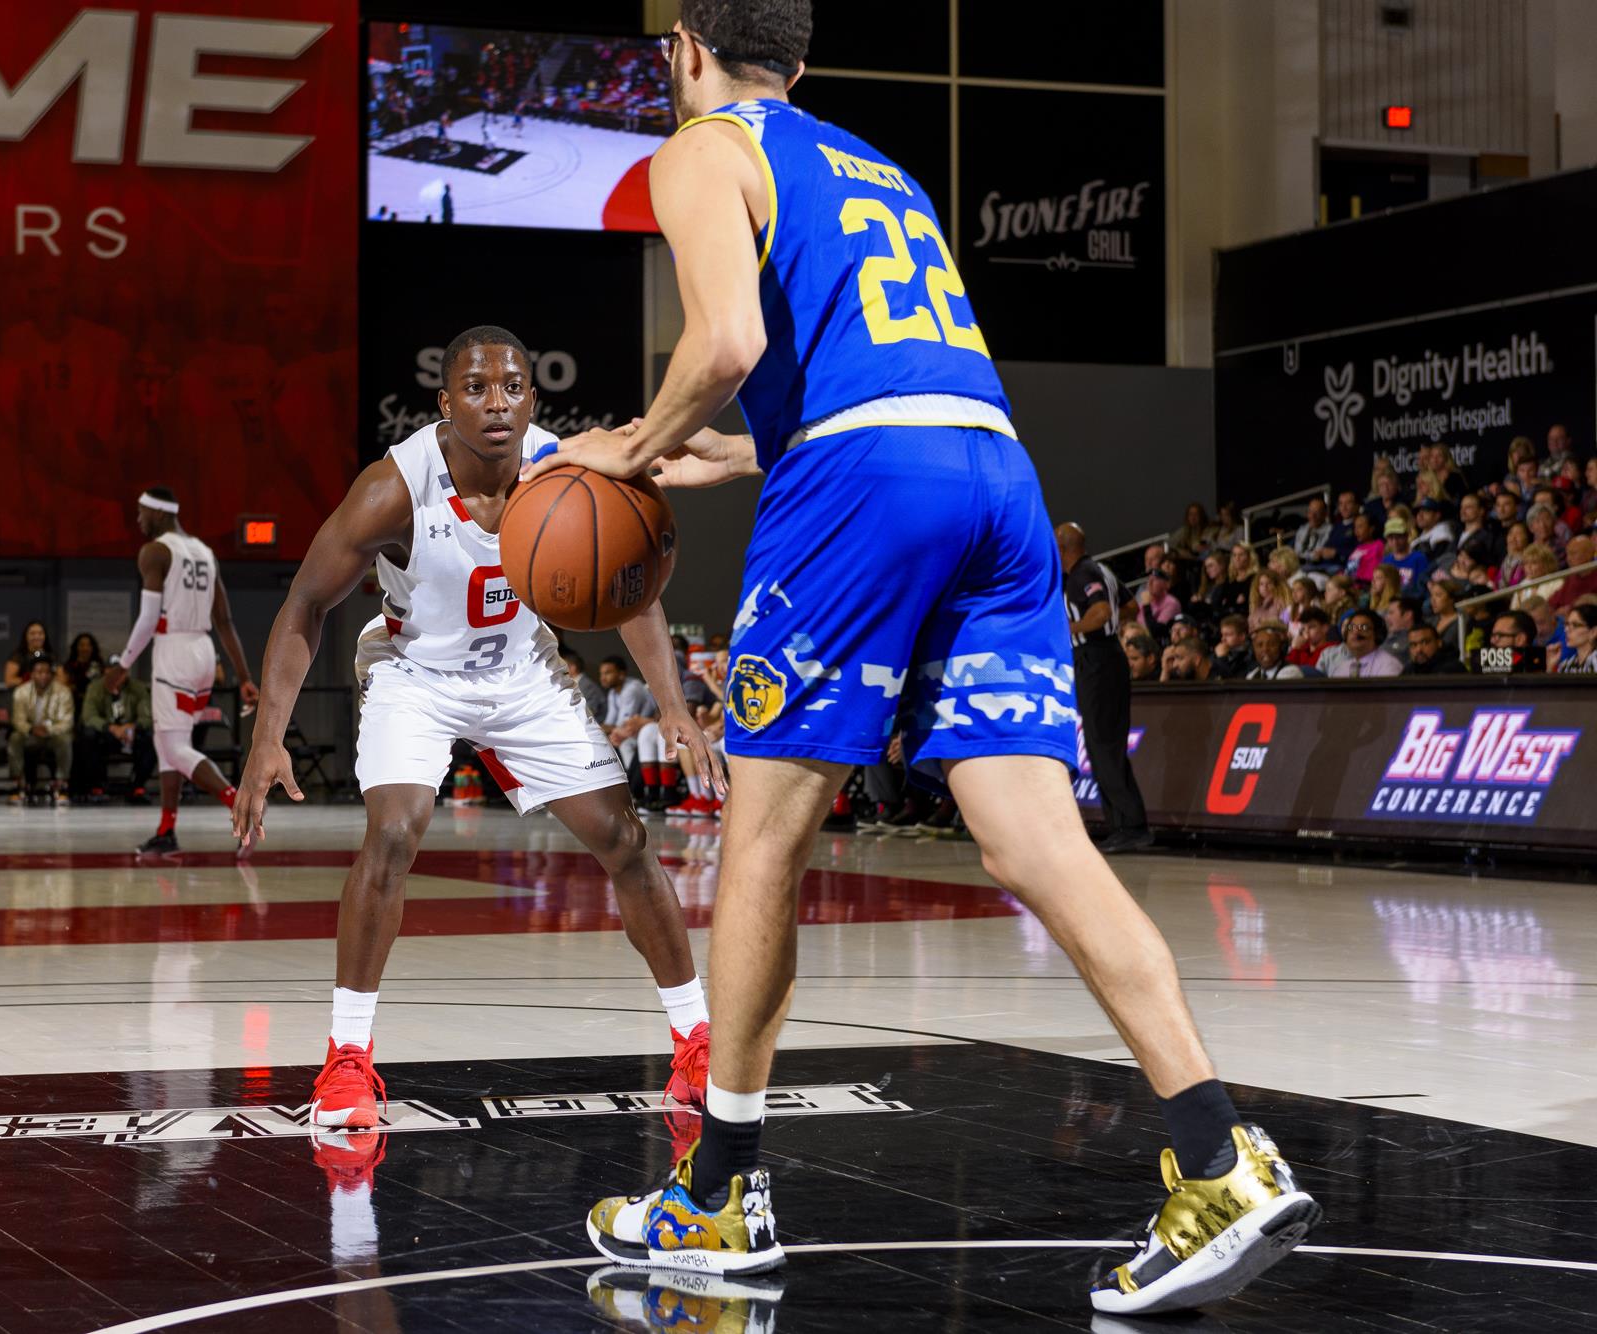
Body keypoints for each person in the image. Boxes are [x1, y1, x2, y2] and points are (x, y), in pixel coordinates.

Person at [533, 5, 1315, 1309]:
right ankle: (1217, 1150)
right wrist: (734, 454)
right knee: (1032, 840)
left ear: (680, 48)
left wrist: (624, 446)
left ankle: (719, 1193)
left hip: (864, 484)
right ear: (805, 59)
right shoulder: (876, 164)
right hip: (994, 479)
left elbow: (726, 345)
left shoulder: (702, 147)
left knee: (766, 836)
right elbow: (878, 367)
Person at [228, 326, 721, 1131]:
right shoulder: (394, 490)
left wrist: (670, 703)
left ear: (534, 397)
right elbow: (306, 605)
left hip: (523, 670)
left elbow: (632, 586)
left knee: (626, 840)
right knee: (394, 832)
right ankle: (346, 1060)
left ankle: (695, 1040)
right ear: (445, 402)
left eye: (514, 387)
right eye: (478, 388)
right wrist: (266, 737)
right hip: (416, 672)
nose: (498, 403)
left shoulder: (567, 466)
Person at [116, 487, 258, 855]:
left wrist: (122, 663)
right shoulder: (205, 553)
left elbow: (148, 619)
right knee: (167, 745)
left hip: (174, 651)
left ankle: (240, 805)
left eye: (141, 512)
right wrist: (243, 676)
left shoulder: (156, 551)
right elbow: (224, 620)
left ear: (158, 514)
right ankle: (166, 830)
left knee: (175, 747)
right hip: (203, 652)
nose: (138, 520)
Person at [1058, 523, 1148, 852]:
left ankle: (1131, 826)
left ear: (1063, 547)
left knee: (1103, 746)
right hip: (1107, 657)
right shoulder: (1101, 570)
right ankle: (1123, 825)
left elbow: (1102, 611)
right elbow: (1130, 606)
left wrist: (1070, 629)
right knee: (1104, 745)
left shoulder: (1082, 575)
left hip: (1096, 658)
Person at [77, 653, 155, 799]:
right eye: (113, 670)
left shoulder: (138, 688)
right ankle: (97, 786)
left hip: (131, 733)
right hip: (106, 734)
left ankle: (137, 785)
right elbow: (89, 716)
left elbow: (147, 716)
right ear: (106, 671)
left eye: (121, 670)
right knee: (88, 736)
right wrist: (111, 728)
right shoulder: (95, 688)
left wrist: (132, 726)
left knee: (151, 737)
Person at [8, 652, 74, 805]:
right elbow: (17, 720)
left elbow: (67, 722)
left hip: (53, 735)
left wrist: (48, 730)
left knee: (65, 739)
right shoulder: (21, 692)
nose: (43, 676)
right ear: (32, 674)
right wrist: (31, 729)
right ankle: (18, 784)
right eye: (39, 672)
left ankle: (61, 784)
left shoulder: (63, 692)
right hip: (30, 734)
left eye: (46, 672)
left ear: (51, 674)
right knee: (15, 738)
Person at [1318, 609, 1402, 678]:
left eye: (1364, 627)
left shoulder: (1388, 666)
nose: (1356, 632)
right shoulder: (1342, 668)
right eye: (1351, 627)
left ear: (1378, 634)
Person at [560, 647, 607, 724]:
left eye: (563, 667)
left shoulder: (587, 685)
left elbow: (589, 710)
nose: (561, 670)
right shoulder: (575, 683)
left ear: (573, 668)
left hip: (596, 725)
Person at [2, 621, 53, 687]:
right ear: (26, 636)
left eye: (40, 633)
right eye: (32, 633)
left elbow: (61, 679)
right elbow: (8, 681)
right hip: (24, 694)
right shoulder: (18, 656)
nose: (37, 637)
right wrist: (30, 679)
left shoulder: (51, 655)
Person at [1557, 603, 1597, 673]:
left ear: (1593, 632)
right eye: (1567, 624)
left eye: (1575, 625)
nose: (1566, 630)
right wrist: (1550, 667)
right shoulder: (1566, 665)